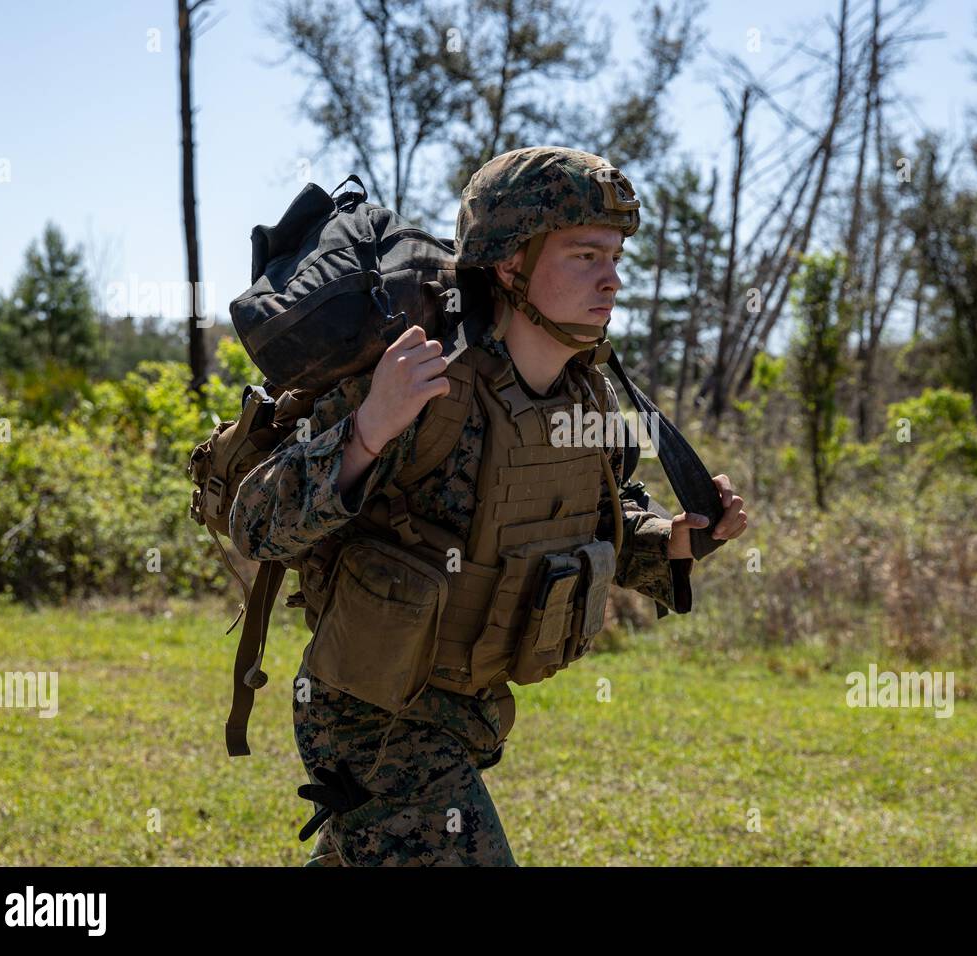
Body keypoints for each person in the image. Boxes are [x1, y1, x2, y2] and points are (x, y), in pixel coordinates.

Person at [229, 146, 748, 866]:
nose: (613, 279)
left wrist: (678, 537)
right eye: (584, 255)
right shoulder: (424, 383)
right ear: (509, 265)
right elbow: (255, 523)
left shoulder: (585, 397)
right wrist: (369, 430)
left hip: (466, 715)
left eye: (616, 256)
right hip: (371, 722)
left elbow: (598, 524)